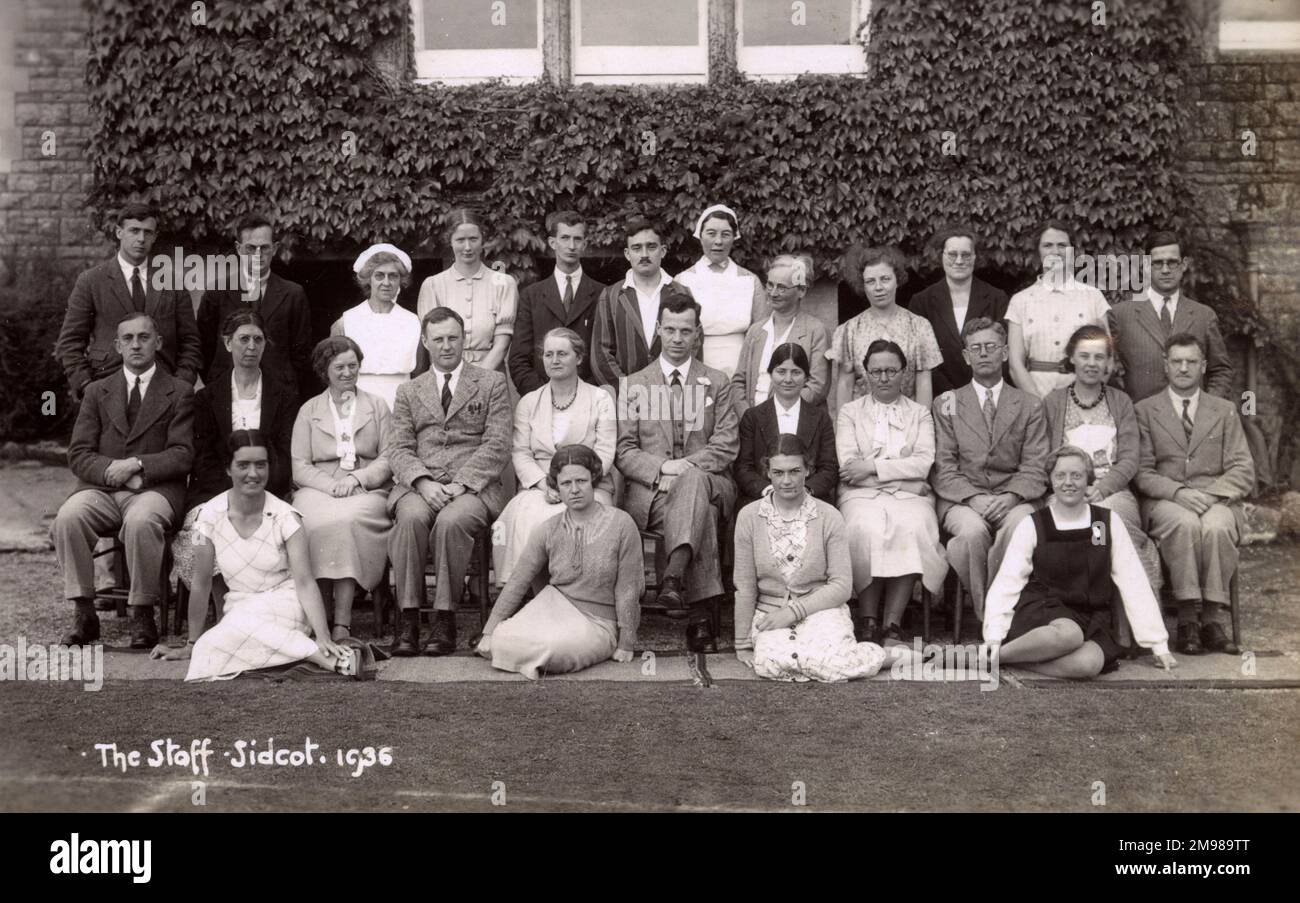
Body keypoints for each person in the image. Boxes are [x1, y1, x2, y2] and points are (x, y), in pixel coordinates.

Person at [149, 431, 360, 681]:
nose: (253, 473)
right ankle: (310, 653)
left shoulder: (287, 516)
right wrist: (192, 643)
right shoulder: (206, 517)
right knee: (205, 649)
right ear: (228, 469)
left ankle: (318, 653)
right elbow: (202, 581)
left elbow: (304, 582)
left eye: (261, 465)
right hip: (239, 605)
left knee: (229, 637)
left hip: (286, 604)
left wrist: (323, 635)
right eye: (243, 465)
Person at [51, 313, 195, 648]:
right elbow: (79, 453)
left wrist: (138, 465)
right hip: (101, 488)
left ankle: (142, 612)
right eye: (128, 338)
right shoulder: (98, 391)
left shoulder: (180, 392)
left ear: (158, 343)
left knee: (143, 521)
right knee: (68, 518)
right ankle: (84, 612)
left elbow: (182, 453)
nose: (136, 345)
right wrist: (111, 470)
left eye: (144, 337)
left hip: (154, 489)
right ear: (117, 345)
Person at [984, 446, 1176, 679]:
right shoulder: (1034, 524)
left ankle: (996, 660)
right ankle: (996, 654)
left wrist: (1158, 644)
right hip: (1043, 610)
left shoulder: (1103, 523)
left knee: (1088, 665)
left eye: (1077, 475)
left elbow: (1132, 578)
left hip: (1091, 614)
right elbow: (1008, 581)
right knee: (1069, 634)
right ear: (1051, 480)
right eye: (1060, 475)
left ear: (1089, 480)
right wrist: (993, 636)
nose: (1069, 482)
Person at [615, 293, 739, 651]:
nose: (677, 338)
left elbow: (727, 445)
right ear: (658, 330)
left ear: (697, 334)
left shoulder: (718, 382)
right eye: (670, 329)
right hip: (653, 494)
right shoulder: (635, 383)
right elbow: (624, 449)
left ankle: (672, 577)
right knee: (703, 511)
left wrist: (686, 471)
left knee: (696, 485)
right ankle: (700, 621)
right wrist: (662, 468)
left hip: (712, 480)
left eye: (686, 331)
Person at [386, 307, 511, 657]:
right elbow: (398, 447)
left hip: (472, 487)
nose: (446, 346)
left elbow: (498, 444)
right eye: (438, 339)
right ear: (425, 342)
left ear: (464, 340)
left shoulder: (490, 383)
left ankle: (445, 618)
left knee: (451, 522)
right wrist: (423, 483)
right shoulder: (409, 391)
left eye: (453, 338)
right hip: (419, 486)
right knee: (409, 520)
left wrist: (462, 484)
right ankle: (408, 618)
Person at [733, 433, 901, 682]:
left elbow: (842, 586)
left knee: (830, 664)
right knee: (775, 664)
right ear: (767, 472)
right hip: (771, 613)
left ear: (808, 470)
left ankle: (906, 656)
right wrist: (743, 642)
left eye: (794, 471)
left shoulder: (828, 516)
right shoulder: (749, 516)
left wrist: (794, 612)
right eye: (778, 472)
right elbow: (745, 586)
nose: (787, 481)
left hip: (822, 610)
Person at [477, 445, 643, 678]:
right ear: (556, 486)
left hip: (599, 622)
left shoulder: (622, 524)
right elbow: (518, 580)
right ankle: (525, 650)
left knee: (552, 648)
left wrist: (626, 643)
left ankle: (539, 653)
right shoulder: (549, 528)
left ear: (594, 480)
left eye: (581, 481)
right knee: (502, 639)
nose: (574, 490)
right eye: (566, 483)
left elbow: (628, 588)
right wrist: (490, 630)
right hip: (552, 608)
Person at [1135, 333, 1255, 656]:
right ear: (1165, 366)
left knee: (1216, 527)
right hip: (1168, 501)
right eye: (1177, 361)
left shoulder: (1225, 410)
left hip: (1216, 498)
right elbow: (1142, 472)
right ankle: (1187, 620)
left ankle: (1212, 621)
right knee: (1185, 524)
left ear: (1203, 367)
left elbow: (1243, 468)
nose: (1184, 368)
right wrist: (1177, 492)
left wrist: (1213, 495)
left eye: (1191, 362)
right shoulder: (1145, 410)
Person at [932, 317, 1050, 621]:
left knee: (1021, 525)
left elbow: (1036, 465)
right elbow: (944, 466)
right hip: (964, 499)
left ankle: (1002, 606)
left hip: (1015, 498)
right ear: (966, 357)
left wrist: (1012, 497)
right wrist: (973, 498)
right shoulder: (947, 402)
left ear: (1006, 353)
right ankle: (991, 615)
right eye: (976, 348)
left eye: (991, 347)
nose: (984, 353)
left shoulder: (1029, 404)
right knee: (971, 534)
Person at [173, 309, 297, 591]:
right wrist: (233, 495)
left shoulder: (284, 394)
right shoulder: (207, 397)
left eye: (258, 339)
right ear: (228, 343)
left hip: (270, 491)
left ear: (266, 343)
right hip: (215, 492)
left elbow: (285, 452)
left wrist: (258, 488)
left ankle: (264, 600)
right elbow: (202, 457)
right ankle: (221, 607)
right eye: (243, 339)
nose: (251, 347)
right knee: (201, 534)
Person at [837, 340, 949, 644]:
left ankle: (892, 624)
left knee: (911, 527)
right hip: (861, 495)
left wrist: (871, 468)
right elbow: (849, 467)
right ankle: (868, 619)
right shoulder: (850, 412)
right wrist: (903, 481)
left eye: (890, 371)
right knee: (863, 527)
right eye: (876, 372)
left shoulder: (919, 414)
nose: (883, 378)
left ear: (904, 373)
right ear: (866, 374)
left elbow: (923, 463)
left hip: (911, 498)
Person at [1041, 325, 1161, 592]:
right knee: (1056, 524)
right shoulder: (1053, 402)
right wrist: (1072, 487)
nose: (1091, 364)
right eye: (1084, 356)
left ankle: (1139, 604)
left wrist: (1102, 489)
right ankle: (1075, 606)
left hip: (1113, 491)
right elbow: (1046, 459)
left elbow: (1130, 458)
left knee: (1108, 521)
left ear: (1109, 361)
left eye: (1099, 357)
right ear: (1071, 357)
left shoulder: (1121, 402)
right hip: (1065, 490)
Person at [493, 328, 616, 586]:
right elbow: (521, 452)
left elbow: (605, 450)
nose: (554, 360)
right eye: (548, 354)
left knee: (575, 517)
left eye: (562, 353)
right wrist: (543, 483)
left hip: (588, 485)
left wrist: (574, 484)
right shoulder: (529, 402)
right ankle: (534, 594)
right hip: (542, 486)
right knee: (522, 515)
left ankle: (573, 593)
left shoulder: (600, 398)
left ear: (579, 358)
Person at [292, 336, 394, 641]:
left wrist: (357, 479)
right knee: (311, 521)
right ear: (325, 370)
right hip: (318, 489)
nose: (348, 372)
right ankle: (317, 616)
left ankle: (342, 622)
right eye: (340, 367)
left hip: (367, 488)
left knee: (345, 522)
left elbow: (390, 456)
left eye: (353, 365)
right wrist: (331, 485)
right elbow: (299, 465)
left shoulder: (377, 406)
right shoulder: (309, 410)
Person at [55, 201, 202, 401]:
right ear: (119, 233)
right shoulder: (92, 281)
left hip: (164, 387)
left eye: (148, 232)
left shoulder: (172, 282)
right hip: (106, 385)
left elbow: (190, 341)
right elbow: (70, 341)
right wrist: (86, 385)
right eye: (134, 231)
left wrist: (183, 382)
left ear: (155, 237)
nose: (141, 239)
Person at [195, 212, 313, 396]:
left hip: (279, 394)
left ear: (274, 249)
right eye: (250, 248)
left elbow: (301, 353)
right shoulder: (217, 292)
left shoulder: (293, 294)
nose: (258, 254)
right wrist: (219, 379)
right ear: (238, 248)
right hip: (227, 390)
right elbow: (204, 347)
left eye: (264, 248)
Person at [1108, 230, 1233, 402]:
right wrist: (1125, 409)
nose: (1165, 270)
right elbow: (1105, 368)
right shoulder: (1121, 314)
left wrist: (1206, 412)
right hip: (1139, 421)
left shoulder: (1204, 316)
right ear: (1146, 265)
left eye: (1172, 263)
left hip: (1191, 422)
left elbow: (1220, 371)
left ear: (1184, 265)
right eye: (1158, 263)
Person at [590, 215, 698, 390]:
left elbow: (694, 344)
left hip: (674, 396)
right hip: (627, 401)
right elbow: (601, 354)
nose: (644, 255)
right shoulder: (610, 296)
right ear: (627, 254)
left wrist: (676, 388)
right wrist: (628, 390)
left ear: (662, 251)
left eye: (651, 247)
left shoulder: (682, 292)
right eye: (637, 248)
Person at [830, 244, 942, 411]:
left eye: (885, 279)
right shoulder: (849, 330)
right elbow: (845, 384)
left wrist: (920, 427)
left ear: (897, 279)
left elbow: (924, 383)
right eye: (870, 281)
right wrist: (844, 431)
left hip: (907, 422)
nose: (878, 287)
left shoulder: (919, 326)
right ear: (863, 285)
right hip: (863, 424)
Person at [1006, 221, 1110, 398]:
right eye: (1047, 246)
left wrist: (1083, 399)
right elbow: (1015, 365)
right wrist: (1038, 403)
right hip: (1036, 394)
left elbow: (1108, 357)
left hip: (1084, 394)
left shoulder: (1093, 297)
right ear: (1038, 252)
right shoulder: (1020, 301)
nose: (1055, 252)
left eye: (1062, 245)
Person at [509, 210, 607, 395]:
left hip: (589, 398)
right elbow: (518, 359)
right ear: (553, 243)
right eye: (565, 238)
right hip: (541, 398)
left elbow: (606, 354)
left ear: (584, 244)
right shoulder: (531, 295)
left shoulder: (602, 294)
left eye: (577, 239)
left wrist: (585, 395)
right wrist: (543, 395)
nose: (571, 246)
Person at [908, 225, 1010, 397]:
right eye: (952, 254)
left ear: (975, 257)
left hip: (987, 393)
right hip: (940, 396)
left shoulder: (997, 298)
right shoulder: (921, 302)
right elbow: (920, 357)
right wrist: (951, 393)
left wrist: (979, 391)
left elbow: (1003, 351)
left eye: (966, 255)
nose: (959, 261)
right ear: (942, 256)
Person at [734, 343, 837, 510]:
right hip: (761, 498)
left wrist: (806, 491)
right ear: (771, 373)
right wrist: (768, 491)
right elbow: (743, 468)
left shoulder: (820, 418)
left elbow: (829, 468)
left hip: (810, 499)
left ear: (806, 377)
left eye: (796, 372)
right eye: (781, 371)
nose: (788, 379)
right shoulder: (752, 417)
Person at [417, 208, 518, 375]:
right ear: (450, 241)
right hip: (446, 374)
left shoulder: (504, 283)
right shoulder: (433, 285)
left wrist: (478, 379)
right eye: (460, 240)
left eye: (473, 239)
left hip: (490, 375)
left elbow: (502, 343)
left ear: (483, 240)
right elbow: (433, 342)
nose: (467, 247)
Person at [673, 204, 768, 378]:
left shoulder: (750, 281)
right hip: (695, 362)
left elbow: (761, 332)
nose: (718, 241)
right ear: (700, 236)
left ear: (734, 238)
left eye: (725, 234)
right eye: (711, 233)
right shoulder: (683, 281)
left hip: (741, 365)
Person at [731, 254, 830, 415]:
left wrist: (776, 415)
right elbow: (738, 381)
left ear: (801, 291)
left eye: (782, 287)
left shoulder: (816, 330)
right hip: (752, 422)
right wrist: (747, 416)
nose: (773, 293)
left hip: (794, 421)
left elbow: (817, 386)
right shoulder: (755, 331)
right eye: (770, 285)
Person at [330, 243, 422, 413]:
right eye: (379, 276)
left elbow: (421, 377)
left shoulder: (413, 322)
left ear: (400, 280)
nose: (386, 282)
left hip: (401, 408)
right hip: (357, 407)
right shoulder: (346, 322)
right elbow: (335, 377)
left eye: (393, 276)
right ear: (368, 279)